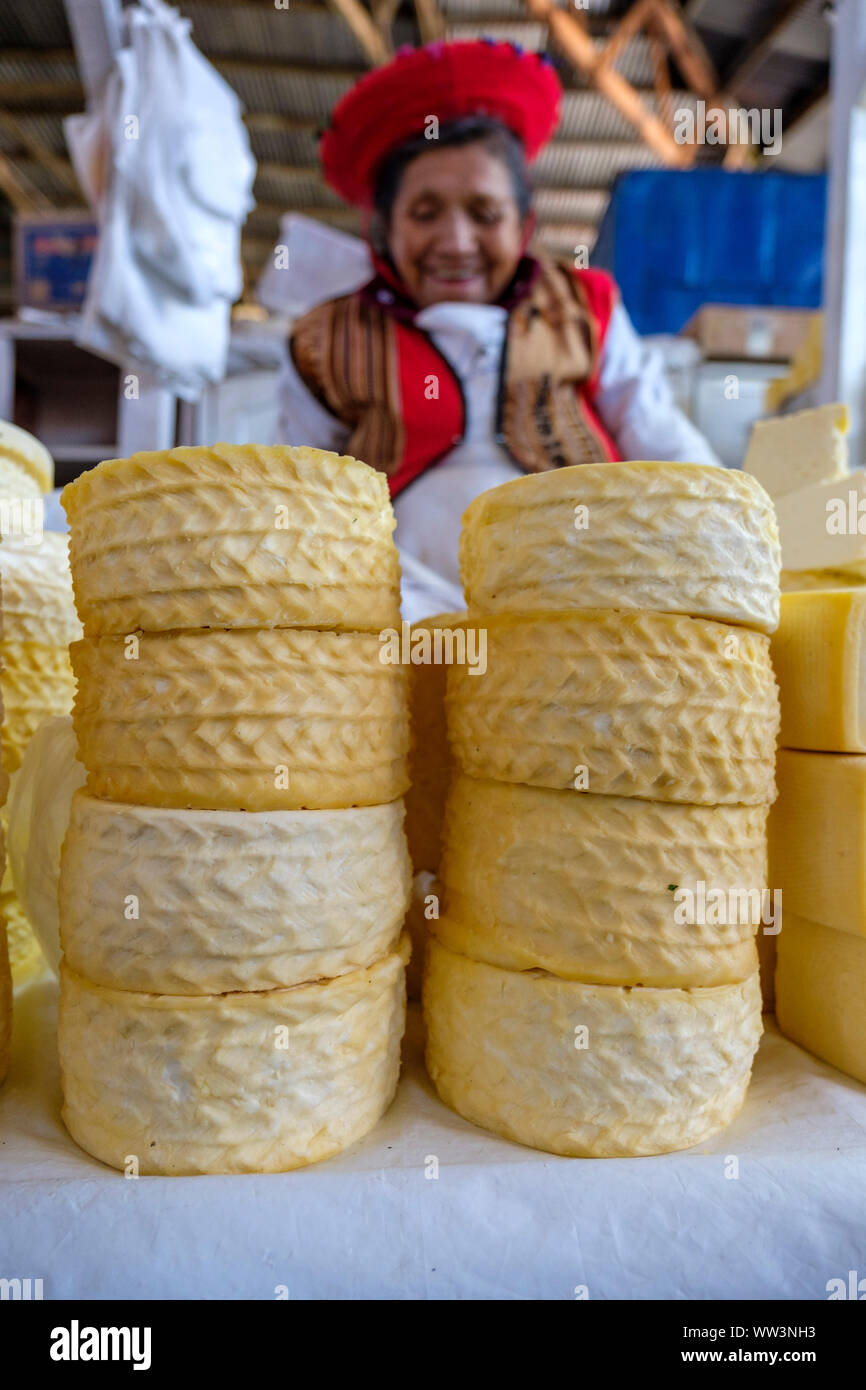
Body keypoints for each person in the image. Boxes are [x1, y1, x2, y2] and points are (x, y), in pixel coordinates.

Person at [277, 38, 720, 597]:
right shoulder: (326, 340)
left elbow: (661, 441)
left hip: (580, 601)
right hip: (392, 614)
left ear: (523, 224)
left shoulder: (583, 307)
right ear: (386, 228)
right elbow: (301, 495)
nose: (456, 242)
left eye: (485, 214)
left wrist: (720, 532)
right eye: (425, 213)